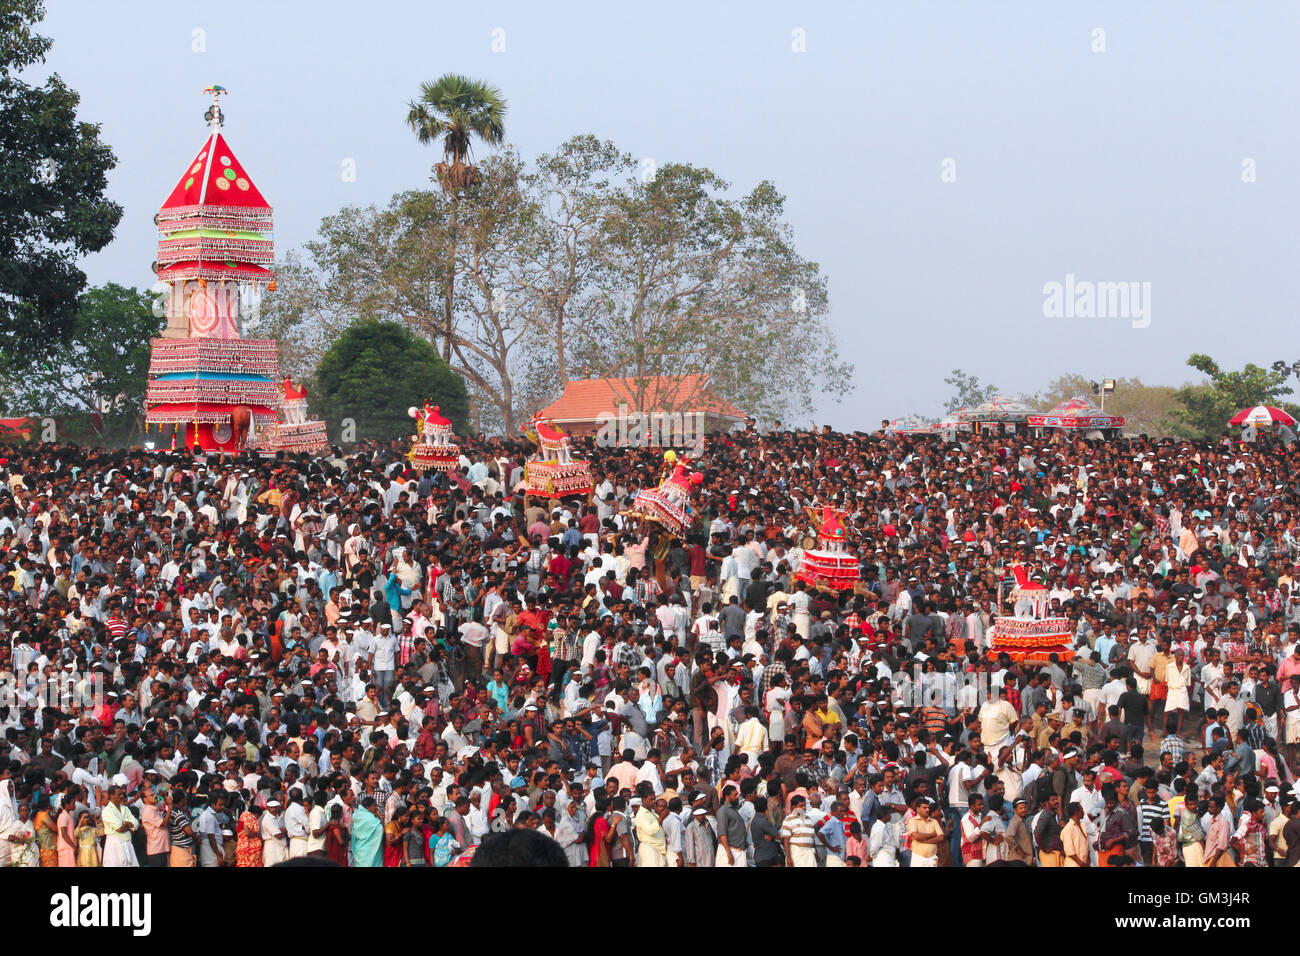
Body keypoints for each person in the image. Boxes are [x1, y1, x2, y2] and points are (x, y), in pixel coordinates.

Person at [101, 785, 140, 867]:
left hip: (128, 842)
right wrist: (127, 824)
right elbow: (119, 828)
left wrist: (126, 825)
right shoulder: (107, 810)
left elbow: (135, 824)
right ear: (111, 795)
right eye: (119, 794)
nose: (122, 796)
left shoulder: (125, 809)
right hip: (114, 844)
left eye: (122, 794)